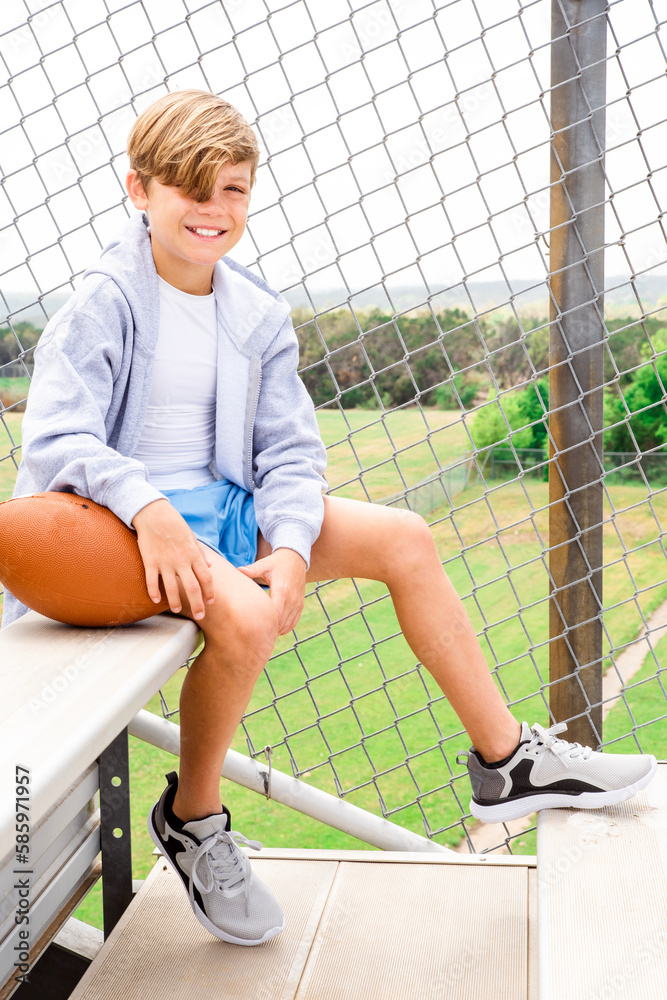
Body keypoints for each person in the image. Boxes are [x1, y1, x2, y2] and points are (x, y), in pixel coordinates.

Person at [2, 90, 656, 946]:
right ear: (140, 191)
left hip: (220, 510)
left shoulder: (254, 313)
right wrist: (150, 510)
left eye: (232, 190)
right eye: (191, 189)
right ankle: (193, 821)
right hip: (117, 518)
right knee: (239, 613)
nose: (213, 210)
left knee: (405, 538)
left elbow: (288, 452)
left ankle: (506, 762)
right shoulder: (105, 300)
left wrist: (293, 547)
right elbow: (57, 436)